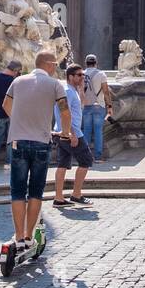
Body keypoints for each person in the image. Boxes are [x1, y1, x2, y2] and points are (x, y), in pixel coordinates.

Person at [2, 50, 71, 249]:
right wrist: (65, 133)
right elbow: (65, 112)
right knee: (35, 192)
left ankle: (18, 236)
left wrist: (19, 120)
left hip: (18, 141)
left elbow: (6, 104)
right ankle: (29, 236)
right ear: (48, 64)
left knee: (17, 190)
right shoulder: (55, 84)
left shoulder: (18, 81)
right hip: (41, 142)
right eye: (55, 64)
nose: (56, 68)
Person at [53, 64, 94, 208]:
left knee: (62, 164)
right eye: (79, 75)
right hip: (71, 133)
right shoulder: (66, 91)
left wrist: (81, 88)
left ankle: (59, 198)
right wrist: (73, 134)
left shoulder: (72, 90)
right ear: (70, 76)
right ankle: (76, 194)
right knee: (87, 161)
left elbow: (80, 105)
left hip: (64, 133)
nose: (82, 77)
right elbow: (64, 113)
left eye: (83, 75)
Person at [0, 59, 22, 169]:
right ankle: (8, 163)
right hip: (12, 113)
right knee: (10, 139)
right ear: (15, 70)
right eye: (18, 71)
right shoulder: (14, 81)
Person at [80, 54, 113, 161]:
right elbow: (106, 92)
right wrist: (109, 106)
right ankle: (98, 157)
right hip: (99, 105)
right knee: (98, 131)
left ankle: (85, 157)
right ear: (96, 63)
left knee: (86, 131)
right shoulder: (101, 74)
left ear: (86, 63)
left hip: (86, 105)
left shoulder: (82, 74)